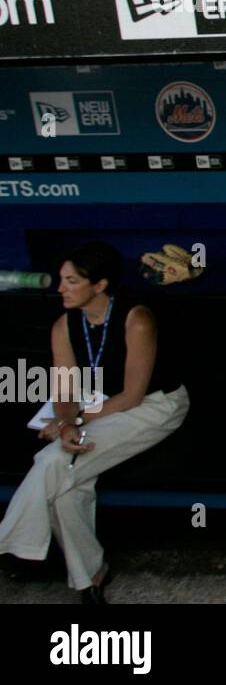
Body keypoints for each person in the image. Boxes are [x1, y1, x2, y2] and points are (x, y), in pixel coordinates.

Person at [0, 243, 188, 604]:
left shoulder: (136, 318)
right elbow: (65, 391)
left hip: (155, 406)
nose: (61, 288)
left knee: (53, 460)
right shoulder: (64, 324)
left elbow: (132, 396)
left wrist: (76, 421)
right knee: (66, 479)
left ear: (99, 285)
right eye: (61, 280)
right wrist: (67, 422)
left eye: (71, 281)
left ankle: (12, 544)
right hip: (100, 404)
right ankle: (91, 574)